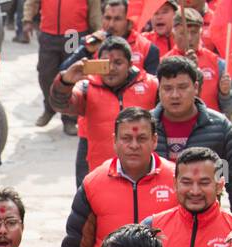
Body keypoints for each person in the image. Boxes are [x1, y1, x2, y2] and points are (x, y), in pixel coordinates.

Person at [60, 106, 176, 247]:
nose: (134, 145)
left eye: (142, 138)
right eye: (126, 138)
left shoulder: (177, 180)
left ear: (154, 140)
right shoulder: (94, 183)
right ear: (114, 141)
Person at [51, 35, 159, 187]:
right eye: (106, 63)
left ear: (130, 64)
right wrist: (65, 82)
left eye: (118, 63)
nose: (112, 68)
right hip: (101, 174)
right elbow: (60, 105)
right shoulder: (87, 87)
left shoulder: (152, 85)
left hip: (146, 175)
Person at [152, 56, 232, 220]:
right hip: (159, 225)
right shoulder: (146, 129)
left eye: (182, 87)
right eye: (167, 88)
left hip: (207, 225)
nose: (175, 95)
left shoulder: (220, 128)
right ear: (159, 89)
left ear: (196, 87)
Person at [27, 0, 103, 135]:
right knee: (45, 74)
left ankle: (69, 119)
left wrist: (97, 31)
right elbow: (32, 2)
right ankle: (49, 108)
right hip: (48, 33)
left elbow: (94, 9)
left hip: (73, 34)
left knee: (72, 74)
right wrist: (27, 18)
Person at [166, 6, 232, 114]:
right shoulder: (164, 63)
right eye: (183, 33)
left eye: (194, 32)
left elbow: (229, 108)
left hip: (210, 126)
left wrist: (225, 94)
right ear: (173, 35)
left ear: (201, 33)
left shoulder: (217, 63)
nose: (189, 38)